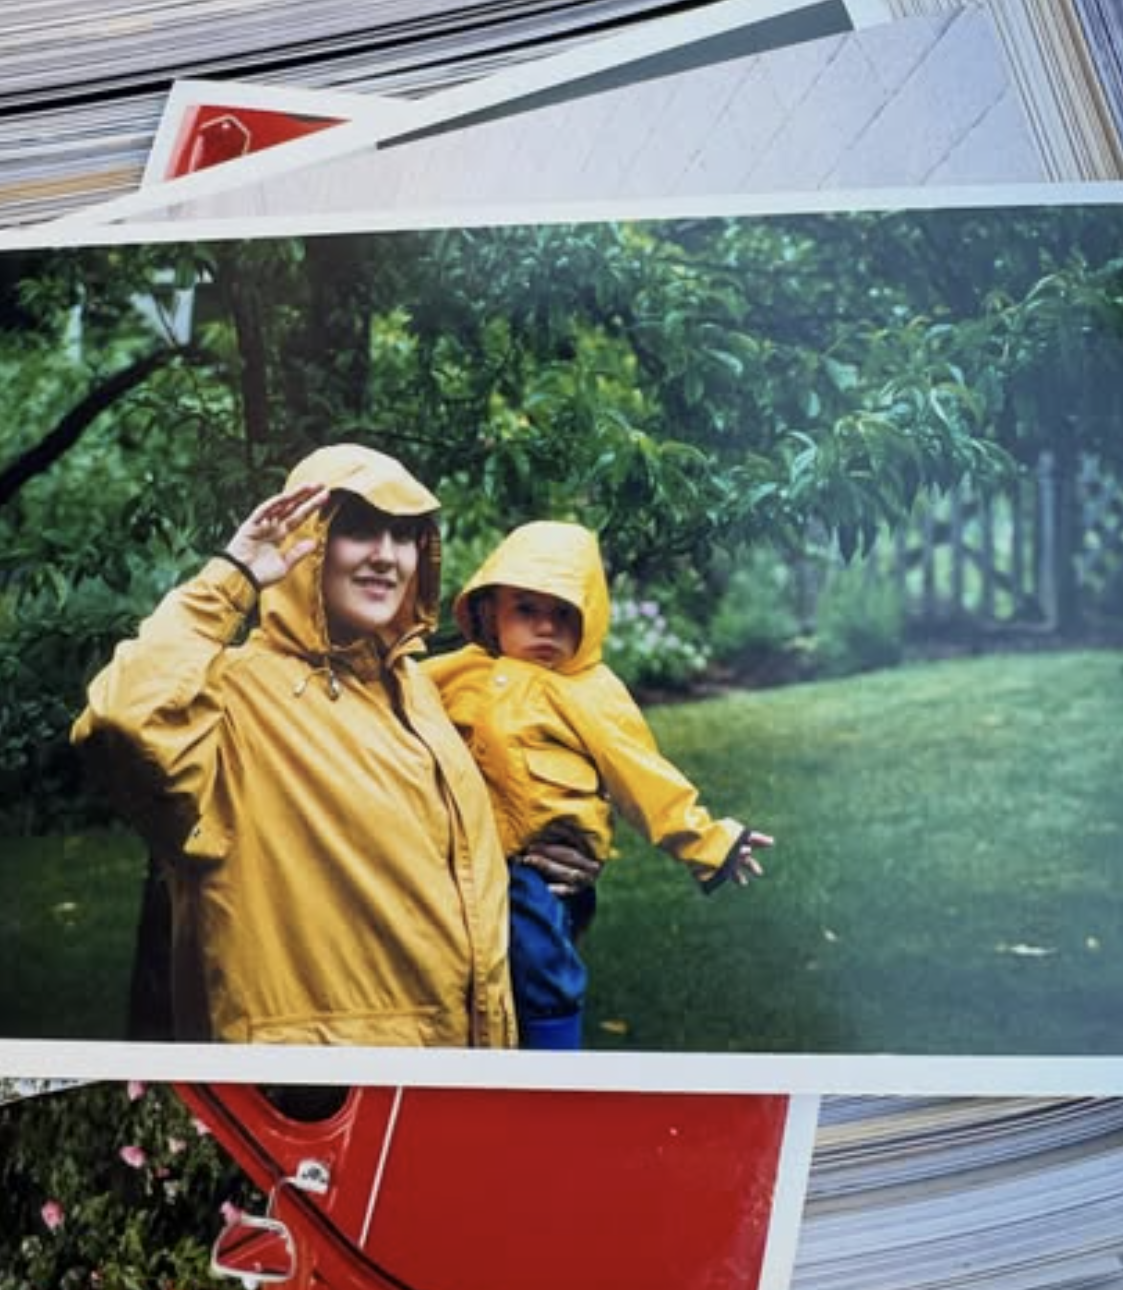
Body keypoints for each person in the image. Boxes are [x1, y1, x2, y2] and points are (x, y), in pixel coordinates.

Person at [73, 443, 518, 1047]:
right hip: (319, 1090)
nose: (386, 557)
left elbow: (426, 845)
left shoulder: (414, 691)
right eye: (359, 530)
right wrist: (232, 577)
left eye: (405, 534)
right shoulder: (233, 696)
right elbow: (125, 720)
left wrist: (549, 854)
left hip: (450, 1071)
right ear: (309, 542)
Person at [423, 520, 774, 1050]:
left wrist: (708, 842)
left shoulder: (590, 692)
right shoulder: (457, 672)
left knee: (538, 961)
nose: (545, 627)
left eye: (563, 612)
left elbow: (641, 773)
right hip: (470, 858)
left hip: (537, 862)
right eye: (526, 609)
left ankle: (555, 1058)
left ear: (588, 618)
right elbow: (394, 692)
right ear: (490, 612)